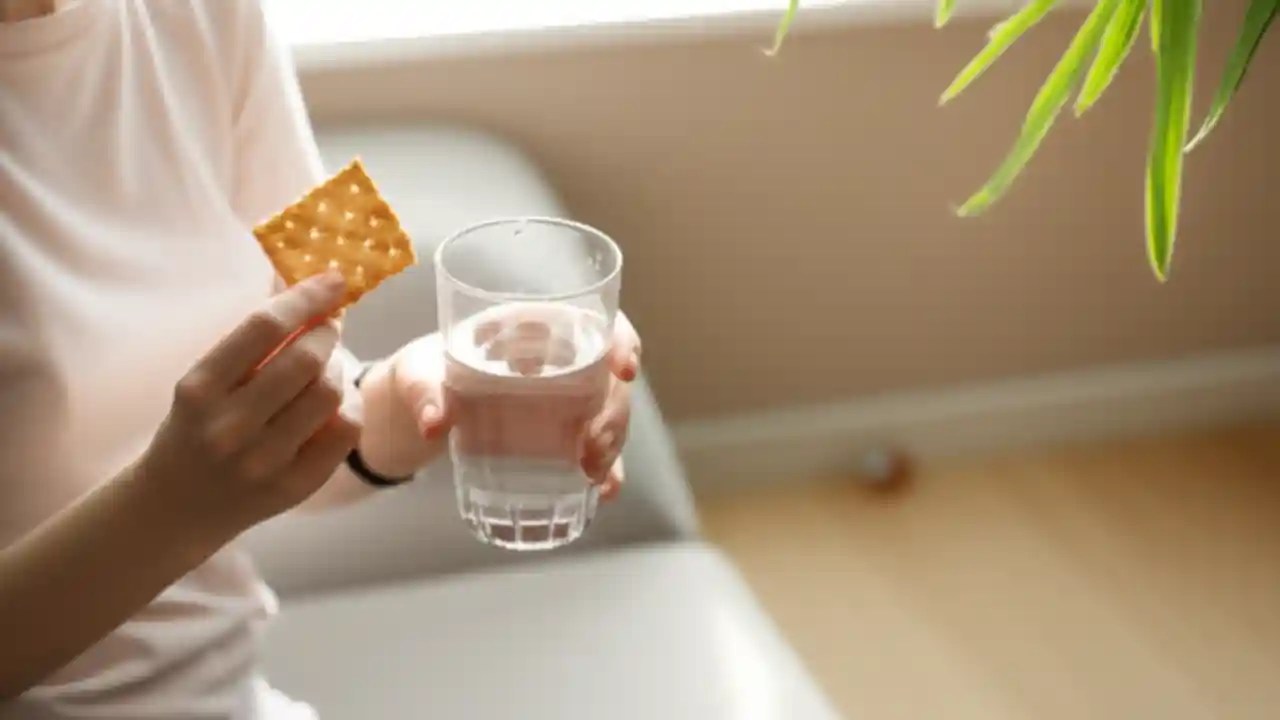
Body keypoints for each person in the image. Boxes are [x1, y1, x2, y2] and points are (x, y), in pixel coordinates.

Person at [0, 0, 641, 717]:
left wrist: (423, 387)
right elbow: (200, 487)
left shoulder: (212, 15)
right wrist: (170, 507)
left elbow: (309, 414)